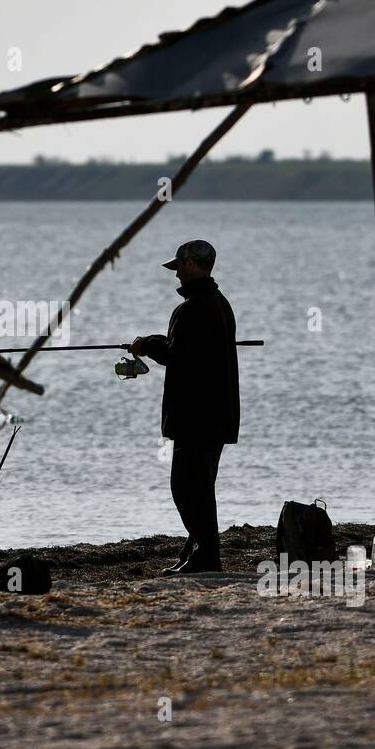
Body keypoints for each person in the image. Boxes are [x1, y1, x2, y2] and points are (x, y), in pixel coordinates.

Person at [129, 239, 239, 574]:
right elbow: (192, 350)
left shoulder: (191, 308)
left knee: (186, 488)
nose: (176, 276)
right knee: (201, 486)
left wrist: (148, 346)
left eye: (179, 268)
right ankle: (197, 551)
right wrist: (156, 343)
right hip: (218, 415)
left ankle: (206, 556)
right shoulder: (219, 303)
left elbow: (180, 357)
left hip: (195, 416)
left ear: (191, 265)